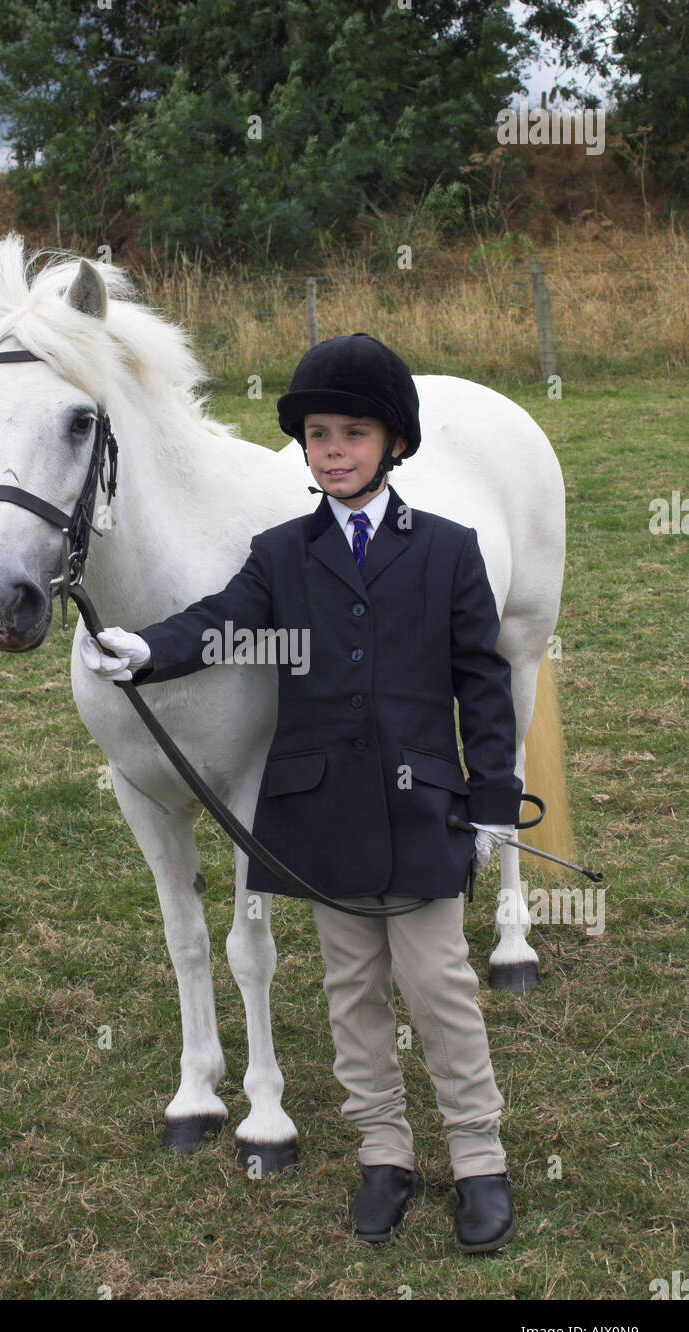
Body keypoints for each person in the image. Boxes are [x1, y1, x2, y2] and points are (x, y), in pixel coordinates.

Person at [80, 333, 522, 1253]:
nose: (332, 451)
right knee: (351, 997)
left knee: (441, 992)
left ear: (394, 443)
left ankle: (479, 1160)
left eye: (354, 434)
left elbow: (483, 686)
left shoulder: (449, 551)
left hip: (424, 815)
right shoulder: (279, 552)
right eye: (318, 434)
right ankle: (383, 1155)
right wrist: (145, 649)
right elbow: (220, 623)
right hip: (322, 820)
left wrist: (491, 802)